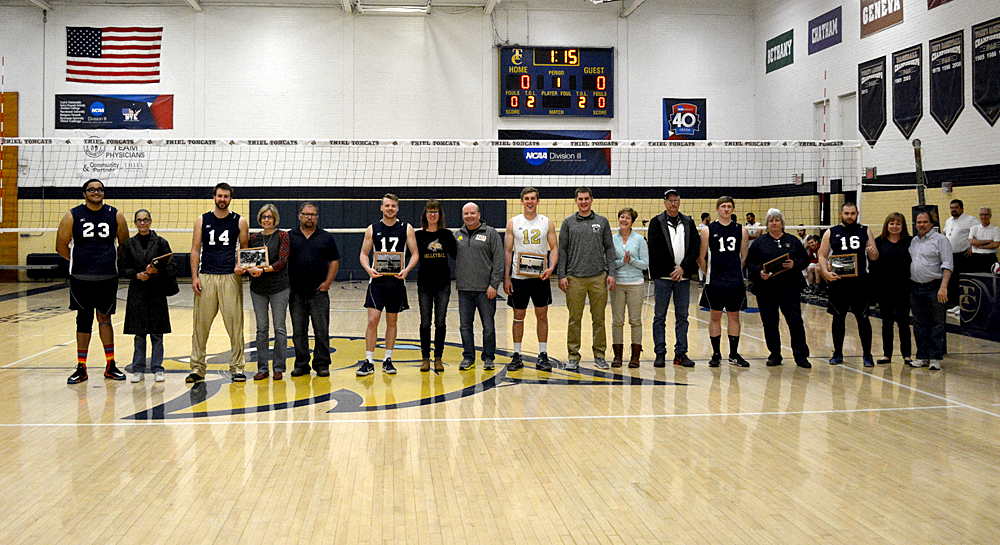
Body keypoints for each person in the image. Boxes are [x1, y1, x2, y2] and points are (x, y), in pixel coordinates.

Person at [57, 179, 130, 384]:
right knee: (83, 319)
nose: (96, 192)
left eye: (99, 189)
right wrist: (80, 261)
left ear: (103, 193)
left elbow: (124, 244)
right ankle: (81, 366)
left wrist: (107, 261)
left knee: (105, 319)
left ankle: (110, 364)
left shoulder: (115, 214)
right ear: (84, 193)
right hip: (81, 277)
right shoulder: (73, 215)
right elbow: (61, 245)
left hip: (107, 276)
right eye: (91, 190)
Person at [188, 182, 249, 383]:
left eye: (226, 196)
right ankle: (197, 368)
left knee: (235, 324)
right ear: (214, 197)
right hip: (206, 276)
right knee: (200, 325)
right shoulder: (202, 220)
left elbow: (244, 249)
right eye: (219, 196)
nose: (222, 199)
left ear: (231, 198)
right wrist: (195, 276)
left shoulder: (239, 221)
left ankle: (237, 368)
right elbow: (196, 249)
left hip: (230, 277)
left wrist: (240, 265)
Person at [557, 187, 616, 370]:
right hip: (575, 278)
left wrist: (611, 273)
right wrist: (561, 276)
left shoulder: (602, 221)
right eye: (580, 199)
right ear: (576, 201)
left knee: (599, 319)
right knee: (575, 319)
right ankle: (573, 356)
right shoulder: (568, 223)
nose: (583, 202)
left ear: (592, 200)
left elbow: (610, 249)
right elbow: (562, 251)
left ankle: (599, 356)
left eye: (586, 199)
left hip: (598, 277)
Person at [359, 194, 418, 376]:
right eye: (387, 206)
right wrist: (369, 269)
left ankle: (388, 359)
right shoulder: (372, 228)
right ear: (381, 208)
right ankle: (369, 360)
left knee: (392, 322)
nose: (390, 209)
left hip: (397, 281)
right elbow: (363, 253)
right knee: (372, 320)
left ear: (397, 208)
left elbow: (415, 253)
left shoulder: (406, 228)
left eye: (393, 206)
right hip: (377, 281)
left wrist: (407, 270)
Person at [746, 208, 811, 368]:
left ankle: (801, 356)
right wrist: (760, 271)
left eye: (777, 220)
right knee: (770, 323)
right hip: (767, 290)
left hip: (789, 289)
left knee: (795, 322)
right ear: (767, 224)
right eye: (771, 221)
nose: (774, 223)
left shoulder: (793, 240)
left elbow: (805, 259)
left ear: (782, 223)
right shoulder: (759, 243)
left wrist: (795, 264)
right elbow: (750, 263)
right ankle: (775, 354)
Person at [817, 201, 879, 367]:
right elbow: (822, 255)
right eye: (846, 213)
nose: (849, 217)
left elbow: (874, 256)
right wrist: (825, 272)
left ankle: (867, 354)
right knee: (838, 318)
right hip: (839, 282)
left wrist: (873, 253)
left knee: (863, 318)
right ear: (841, 214)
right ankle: (837, 353)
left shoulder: (865, 231)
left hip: (860, 282)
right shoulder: (831, 232)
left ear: (857, 214)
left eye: (852, 213)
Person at [504, 188, 558, 372]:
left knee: (541, 315)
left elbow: (554, 247)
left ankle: (543, 354)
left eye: (533, 198)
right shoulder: (513, 222)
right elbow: (508, 251)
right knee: (518, 317)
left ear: (538, 201)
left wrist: (551, 268)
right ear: (521, 201)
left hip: (540, 277)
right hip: (519, 278)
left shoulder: (546, 222)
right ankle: (517, 354)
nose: (530, 202)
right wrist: (507, 277)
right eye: (526, 199)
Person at [119, 209, 176, 383]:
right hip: (138, 292)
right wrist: (137, 275)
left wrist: (155, 271)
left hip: (157, 291)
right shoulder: (129, 244)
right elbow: (122, 269)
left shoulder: (160, 242)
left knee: (157, 333)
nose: (142, 223)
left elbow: (172, 267)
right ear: (135, 223)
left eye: (145, 220)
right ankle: (138, 369)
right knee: (139, 334)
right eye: (139, 220)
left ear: (150, 221)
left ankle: (158, 368)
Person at [646, 189, 700, 368]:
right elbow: (655, 248)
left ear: (679, 202)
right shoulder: (656, 222)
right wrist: (672, 269)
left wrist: (683, 268)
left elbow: (695, 246)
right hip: (663, 277)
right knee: (659, 316)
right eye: (670, 201)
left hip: (683, 278)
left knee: (682, 317)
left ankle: (681, 353)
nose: (673, 203)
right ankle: (660, 353)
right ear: (665, 203)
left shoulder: (688, 222)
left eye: (676, 200)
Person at [289, 203, 340, 377]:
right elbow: (283, 261)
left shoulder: (326, 237)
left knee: (321, 330)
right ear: (300, 216)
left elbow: (334, 261)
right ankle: (302, 364)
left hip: (319, 293)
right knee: (298, 332)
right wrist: (287, 284)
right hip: (296, 293)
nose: (309, 217)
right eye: (306, 214)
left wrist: (327, 283)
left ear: (317, 217)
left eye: (313, 214)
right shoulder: (289, 236)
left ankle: (321, 363)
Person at [240, 204, 290, 381]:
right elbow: (246, 260)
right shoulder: (254, 238)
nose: (266, 220)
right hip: (258, 289)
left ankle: (278, 368)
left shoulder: (283, 236)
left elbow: (282, 261)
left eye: (269, 217)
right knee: (261, 329)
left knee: (279, 329)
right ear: (260, 219)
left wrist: (264, 270)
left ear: (275, 218)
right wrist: (248, 270)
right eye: (264, 217)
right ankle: (262, 368)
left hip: (279, 287)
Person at [698, 196, 750, 367]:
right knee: (715, 317)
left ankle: (734, 354)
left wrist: (733, 271)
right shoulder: (708, 230)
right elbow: (701, 257)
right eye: (723, 206)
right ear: (718, 209)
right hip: (715, 281)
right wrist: (710, 273)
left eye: (729, 206)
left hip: (735, 281)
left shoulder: (741, 230)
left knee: (734, 316)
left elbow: (743, 257)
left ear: (733, 209)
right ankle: (716, 354)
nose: (726, 209)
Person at [454, 202, 505, 371]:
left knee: (488, 326)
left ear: (479, 214)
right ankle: (468, 357)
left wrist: (494, 285)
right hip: (464, 289)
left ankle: (488, 357)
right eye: (466, 213)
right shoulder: (457, 236)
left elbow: (499, 261)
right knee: (465, 326)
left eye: (472, 213)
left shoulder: (491, 234)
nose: (469, 216)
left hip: (486, 290)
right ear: (462, 215)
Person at [909, 211, 954, 370]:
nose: (921, 225)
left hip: (934, 287)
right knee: (919, 323)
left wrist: (943, 287)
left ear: (931, 223)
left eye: (924, 222)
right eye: (918, 222)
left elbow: (948, 265)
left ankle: (935, 357)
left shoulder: (941, 240)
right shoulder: (914, 241)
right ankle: (922, 356)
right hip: (915, 287)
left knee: (936, 323)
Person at [416, 200, 456, 373]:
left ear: (440, 215)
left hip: (443, 285)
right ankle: (425, 358)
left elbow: (456, 254)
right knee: (425, 322)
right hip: (424, 284)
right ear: (425, 215)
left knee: (440, 322)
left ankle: (438, 357)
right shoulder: (418, 236)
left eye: (436, 212)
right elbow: (408, 255)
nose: (432, 215)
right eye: (429, 212)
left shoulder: (447, 235)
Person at [872, 212, 912, 365]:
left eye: (898, 224)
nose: (894, 227)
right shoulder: (879, 242)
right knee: (887, 323)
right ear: (886, 225)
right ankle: (886, 354)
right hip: (885, 289)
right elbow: (874, 266)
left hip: (904, 288)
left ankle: (907, 355)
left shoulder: (910, 242)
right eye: (891, 223)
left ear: (903, 226)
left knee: (903, 322)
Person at [611, 208, 648, 368]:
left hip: (635, 284)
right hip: (617, 284)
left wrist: (631, 260)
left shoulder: (639, 240)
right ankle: (617, 356)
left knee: (635, 321)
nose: (624, 220)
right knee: (617, 321)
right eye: (622, 217)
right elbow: (610, 264)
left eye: (627, 218)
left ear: (632, 221)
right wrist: (622, 262)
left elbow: (645, 265)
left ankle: (635, 357)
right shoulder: (612, 239)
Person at [943, 199, 978, 314]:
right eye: (951, 208)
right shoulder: (949, 221)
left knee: (963, 281)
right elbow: (944, 234)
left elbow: (980, 232)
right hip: (950, 255)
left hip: (963, 256)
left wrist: (972, 247)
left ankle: (964, 305)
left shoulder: (970, 220)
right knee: (953, 281)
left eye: (956, 207)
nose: (953, 210)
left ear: (962, 208)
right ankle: (957, 304)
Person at [969, 207, 1000, 272]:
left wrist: (979, 245)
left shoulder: (996, 229)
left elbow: (996, 244)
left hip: (990, 258)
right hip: (976, 258)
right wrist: (988, 241)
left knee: (991, 280)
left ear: (990, 216)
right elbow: (972, 242)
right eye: (981, 214)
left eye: (986, 215)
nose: (984, 217)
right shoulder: (974, 228)